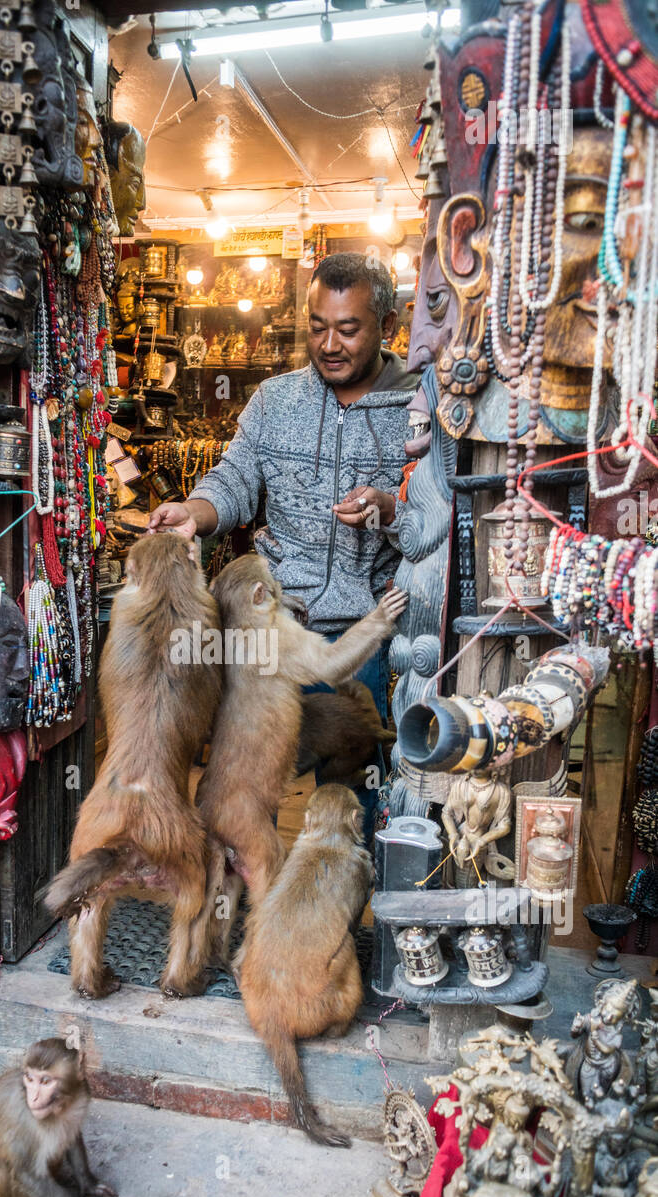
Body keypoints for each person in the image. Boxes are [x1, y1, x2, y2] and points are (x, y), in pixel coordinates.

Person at [149, 252, 420, 834]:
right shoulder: (276, 400)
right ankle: (246, 910)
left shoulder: (421, 409)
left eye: (348, 329)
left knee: (351, 795)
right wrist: (193, 514)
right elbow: (235, 480)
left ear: (388, 326)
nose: (329, 343)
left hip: (363, 631)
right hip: (271, 625)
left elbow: (436, 515)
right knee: (246, 781)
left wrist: (391, 510)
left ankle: (345, 911)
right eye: (317, 326)